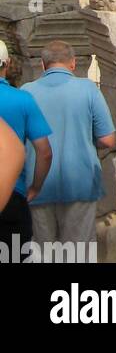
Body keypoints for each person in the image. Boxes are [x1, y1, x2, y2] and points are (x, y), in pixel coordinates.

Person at [22, 39, 115, 254]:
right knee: (78, 253)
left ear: (43, 65)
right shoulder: (88, 89)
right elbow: (108, 139)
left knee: (43, 253)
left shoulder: (26, 92)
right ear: (73, 64)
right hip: (80, 183)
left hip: (37, 186)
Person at [0, 41, 53, 250]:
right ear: (7, 63)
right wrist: (35, 187)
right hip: (13, 194)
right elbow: (45, 152)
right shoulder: (22, 100)